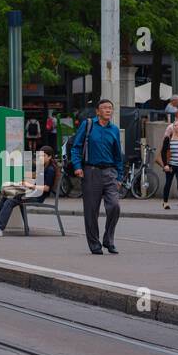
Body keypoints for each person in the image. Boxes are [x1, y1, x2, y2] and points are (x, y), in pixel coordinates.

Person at [70, 98, 123, 255]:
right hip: (91, 172)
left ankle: (108, 239)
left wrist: (119, 177)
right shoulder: (88, 125)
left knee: (115, 206)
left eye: (110, 108)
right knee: (91, 211)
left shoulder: (114, 130)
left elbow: (118, 155)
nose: (108, 110)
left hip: (110, 172)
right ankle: (94, 244)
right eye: (105, 108)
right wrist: (77, 166)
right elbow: (76, 147)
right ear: (98, 111)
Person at [0, 146, 56, 236]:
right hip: (32, 193)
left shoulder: (50, 170)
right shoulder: (43, 167)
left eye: (43, 156)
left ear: (49, 157)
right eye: (39, 156)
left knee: (10, 201)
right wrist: (25, 183)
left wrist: (30, 186)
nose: (40, 158)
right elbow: (34, 179)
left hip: (37, 197)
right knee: (6, 197)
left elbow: (46, 188)